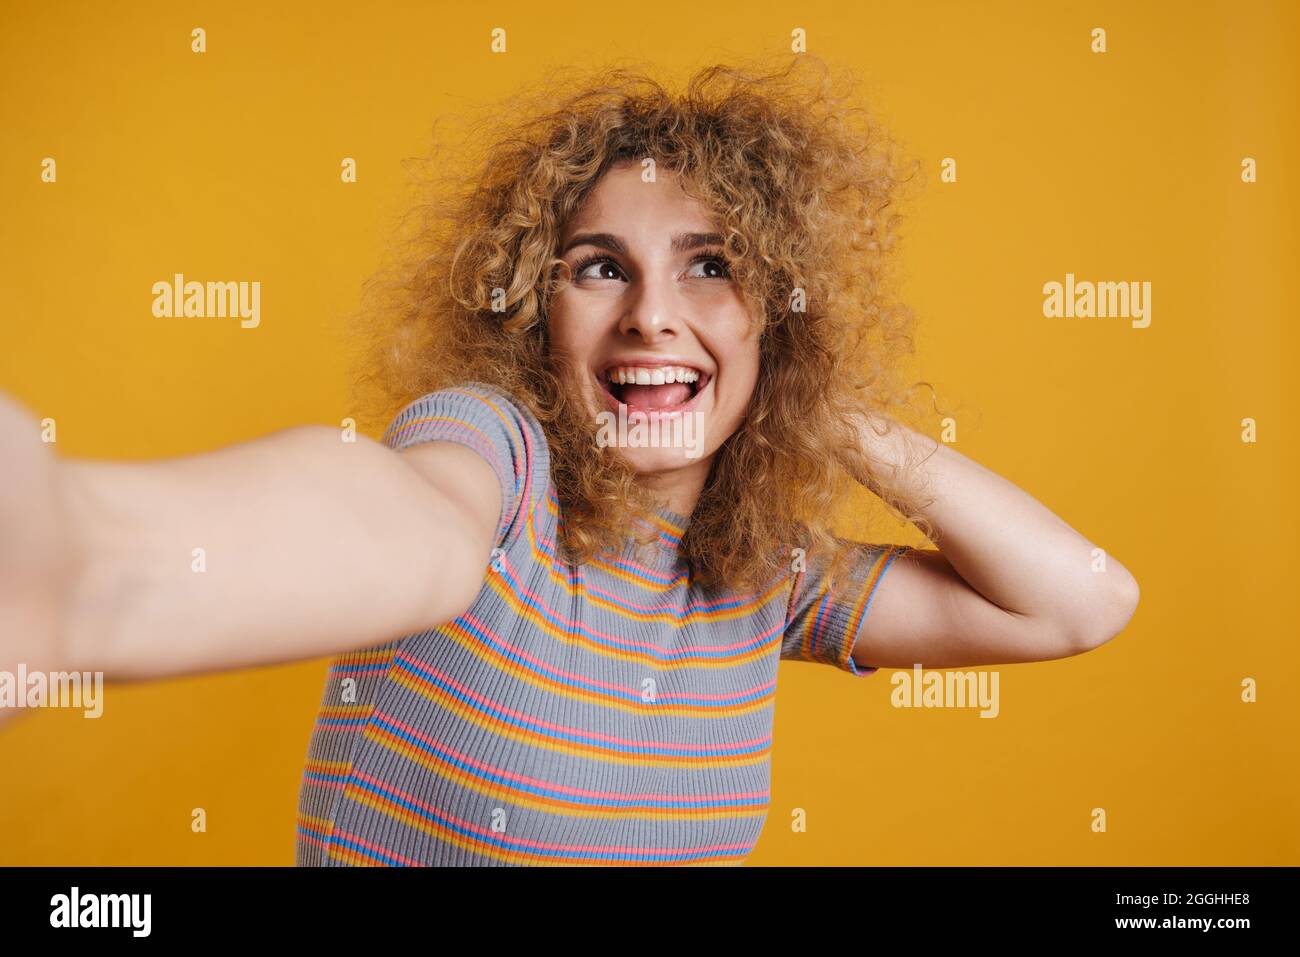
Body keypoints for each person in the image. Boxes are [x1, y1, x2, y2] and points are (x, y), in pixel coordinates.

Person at [0, 58, 1139, 866]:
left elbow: (1078, 603)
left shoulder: (764, 576)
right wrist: (85, 562)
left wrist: (813, 398)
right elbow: (409, 531)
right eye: (599, 268)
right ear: (534, 313)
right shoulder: (492, 459)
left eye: (711, 269)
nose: (652, 314)